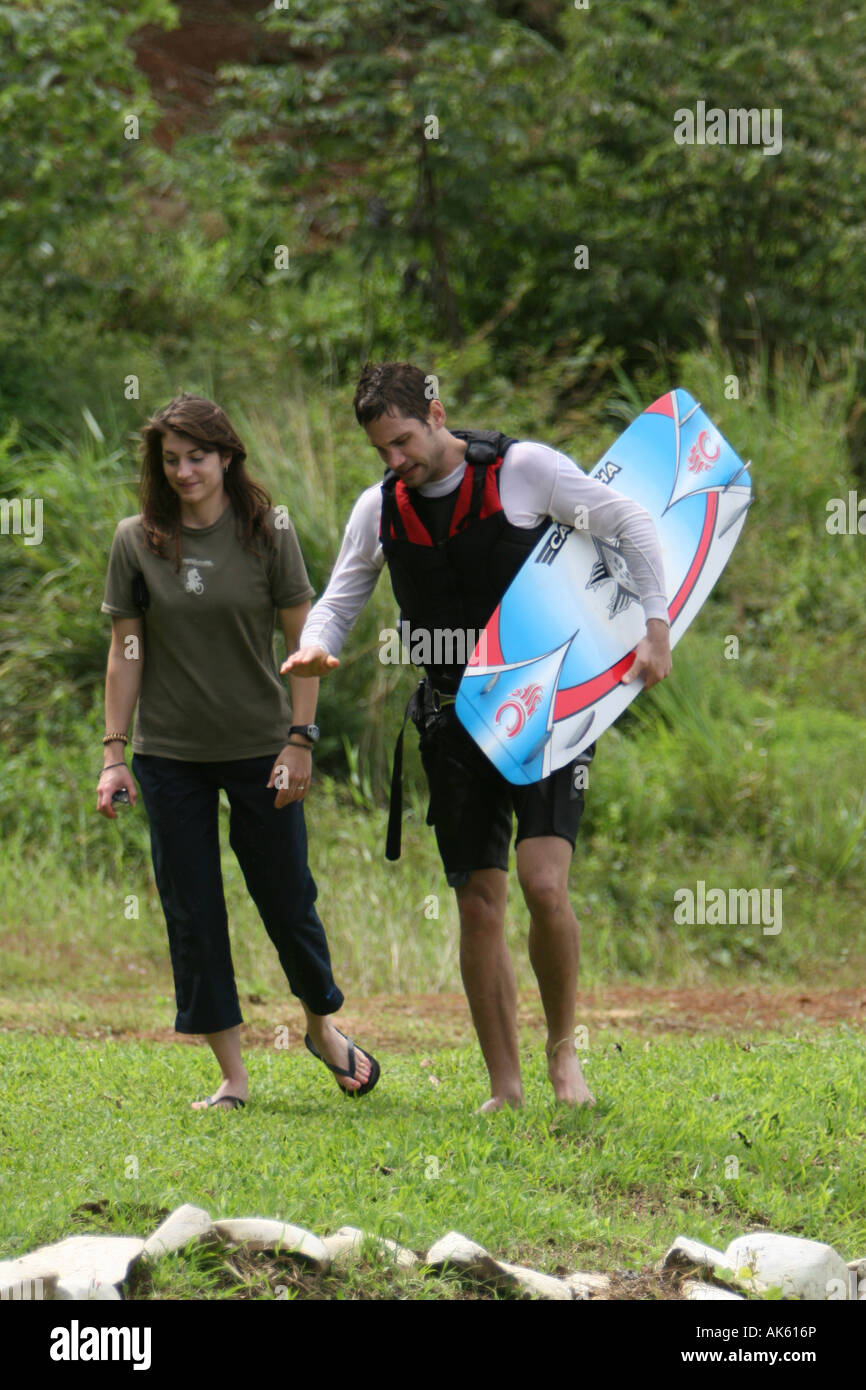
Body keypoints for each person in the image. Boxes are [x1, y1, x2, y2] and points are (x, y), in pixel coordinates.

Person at [284, 362, 671, 1112]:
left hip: (548, 706)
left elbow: (630, 521)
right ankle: (505, 1086)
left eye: (401, 441)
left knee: (544, 882)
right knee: (478, 902)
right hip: (452, 717)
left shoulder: (522, 471)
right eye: (380, 450)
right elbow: (341, 595)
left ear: (436, 410)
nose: (394, 460)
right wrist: (317, 645)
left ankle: (564, 1058)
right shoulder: (379, 509)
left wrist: (654, 625)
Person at [97, 394, 379, 1110]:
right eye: (172, 459)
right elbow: (125, 651)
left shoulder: (267, 530)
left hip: (263, 748)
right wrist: (113, 754)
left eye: (198, 456)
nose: (185, 470)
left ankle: (322, 1026)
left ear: (226, 457)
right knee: (192, 910)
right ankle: (233, 1076)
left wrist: (299, 740)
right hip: (169, 756)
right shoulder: (138, 539)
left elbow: (303, 644)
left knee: (288, 898)